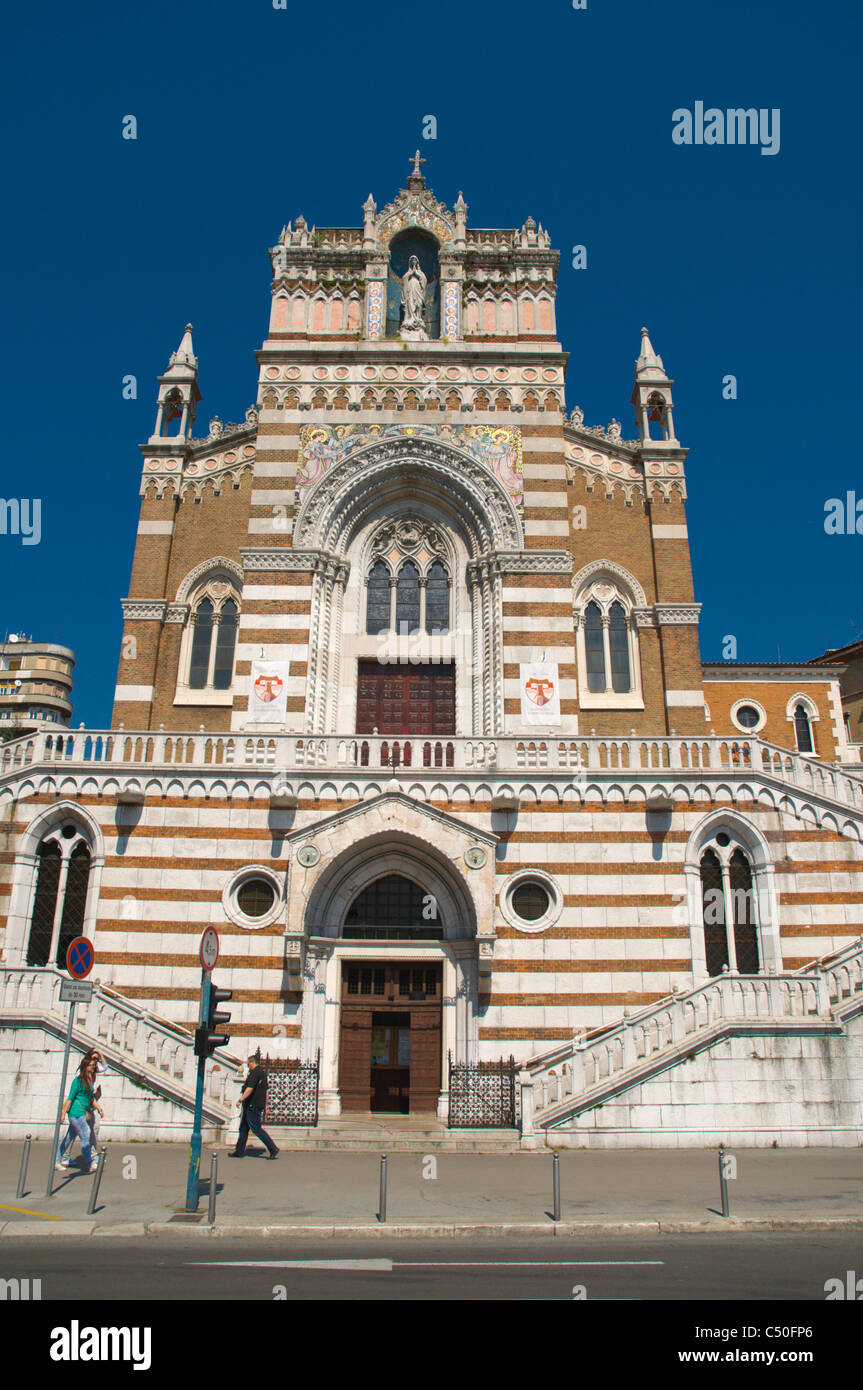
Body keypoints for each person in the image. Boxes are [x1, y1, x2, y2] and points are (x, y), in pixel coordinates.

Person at [229, 1055, 279, 1159]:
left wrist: (240, 1099)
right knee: (243, 1128)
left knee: (256, 1128)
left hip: (252, 1105)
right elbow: (266, 1091)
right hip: (257, 1104)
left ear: (252, 1063)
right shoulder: (263, 1073)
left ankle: (272, 1148)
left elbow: (250, 1089)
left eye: (248, 1064)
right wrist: (266, 1105)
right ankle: (239, 1151)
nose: (248, 1066)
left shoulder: (254, 1073)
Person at [55, 1058, 98, 1172]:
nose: (93, 1067)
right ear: (85, 1067)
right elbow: (70, 1098)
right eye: (91, 1065)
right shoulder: (77, 1081)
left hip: (83, 1112)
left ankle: (56, 1161)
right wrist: (63, 1113)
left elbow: (90, 1099)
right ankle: (91, 1163)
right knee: (85, 1135)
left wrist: (99, 1108)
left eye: (94, 1066)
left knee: (69, 1138)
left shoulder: (89, 1081)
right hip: (76, 1113)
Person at [82, 1047, 107, 1149]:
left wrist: (100, 1054)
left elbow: (105, 1067)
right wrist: (93, 1092)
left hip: (90, 1104)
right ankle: (63, 1157)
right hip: (82, 1106)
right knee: (72, 1134)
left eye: (96, 1060)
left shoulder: (93, 1072)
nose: (95, 1062)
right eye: (93, 1059)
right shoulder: (81, 1074)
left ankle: (92, 1155)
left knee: (94, 1129)